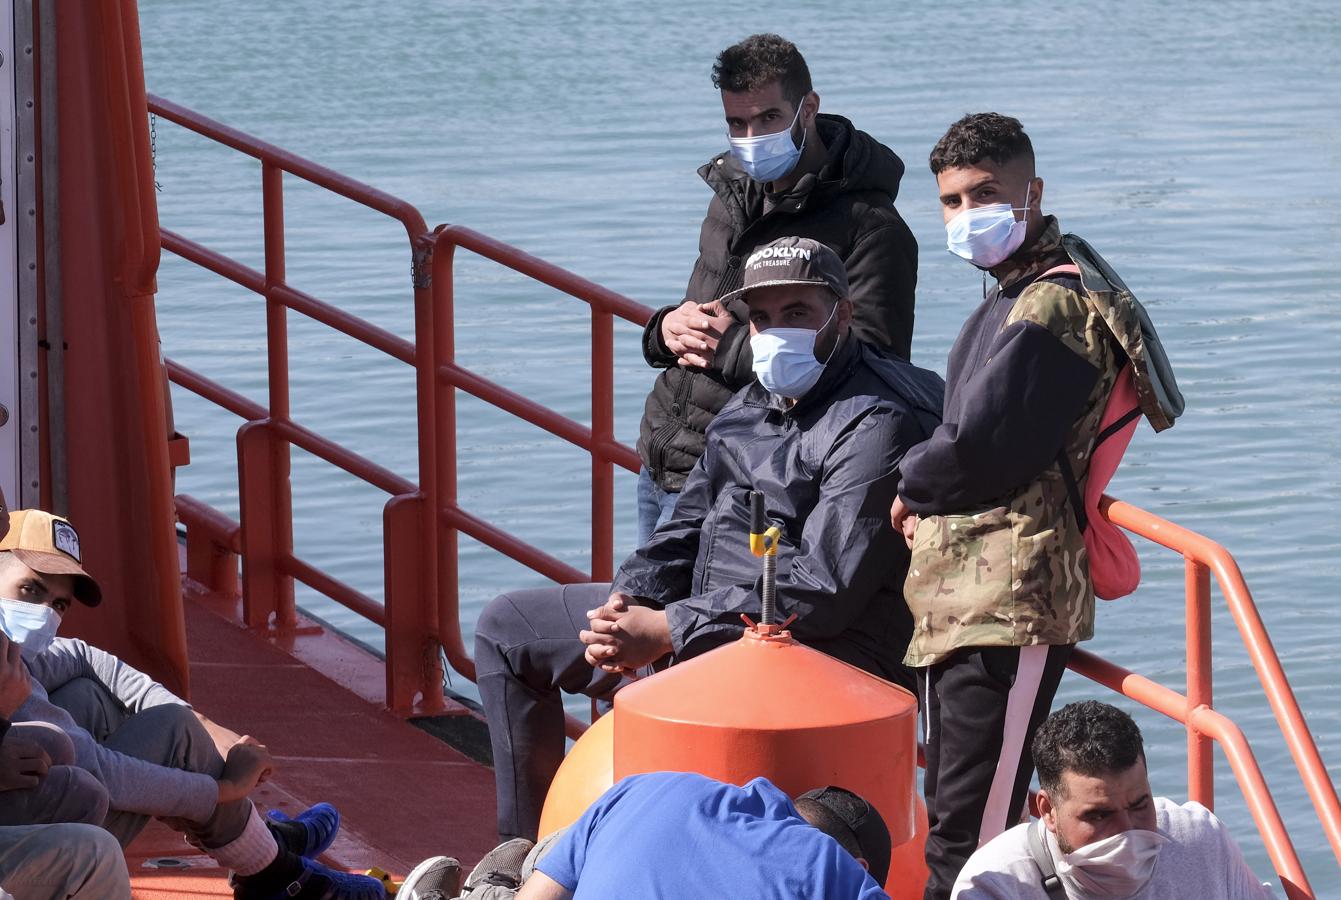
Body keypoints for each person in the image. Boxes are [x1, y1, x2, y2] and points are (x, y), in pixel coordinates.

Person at [476, 236, 943, 841]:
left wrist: (670, 629)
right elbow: (684, 524)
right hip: (710, 617)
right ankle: (520, 859)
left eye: (797, 313)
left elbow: (827, 590)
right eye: (763, 317)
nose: (776, 333)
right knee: (510, 629)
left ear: (843, 312)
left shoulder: (878, 422)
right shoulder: (753, 400)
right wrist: (627, 608)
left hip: (810, 652)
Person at [887, 112, 1171, 900]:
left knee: (975, 826)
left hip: (1012, 596)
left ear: (1031, 193)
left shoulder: (1054, 306)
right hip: (966, 593)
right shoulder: (1012, 298)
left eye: (985, 193)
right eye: (950, 200)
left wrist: (910, 486)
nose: (966, 214)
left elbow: (986, 445)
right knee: (955, 813)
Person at [0, 509, 386, 900]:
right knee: (170, 733)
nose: (43, 614)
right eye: (30, 590)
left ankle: (260, 843)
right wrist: (224, 789)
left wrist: (208, 726)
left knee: (90, 696)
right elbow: (104, 771)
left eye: (59, 605)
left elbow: (84, 657)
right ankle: (275, 873)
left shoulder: (18, 654)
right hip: (20, 843)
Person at [635, 32, 919, 543]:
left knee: (699, 622)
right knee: (635, 616)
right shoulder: (731, 195)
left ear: (808, 107)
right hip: (661, 461)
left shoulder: (871, 226)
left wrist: (729, 348)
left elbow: (874, 365)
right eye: (736, 123)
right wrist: (664, 329)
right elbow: (704, 307)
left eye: (767, 118)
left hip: (741, 477)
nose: (751, 137)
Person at [951, 701, 1273, 899]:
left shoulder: (1201, 841)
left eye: (1139, 805)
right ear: (1048, 811)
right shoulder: (998, 884)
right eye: (1099, 816)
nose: (1127, 832)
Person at [401, 774, 892, 900]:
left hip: (611, 825)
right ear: (862, 866)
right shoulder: (838, 875)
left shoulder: (649, 785)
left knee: (553, 855)